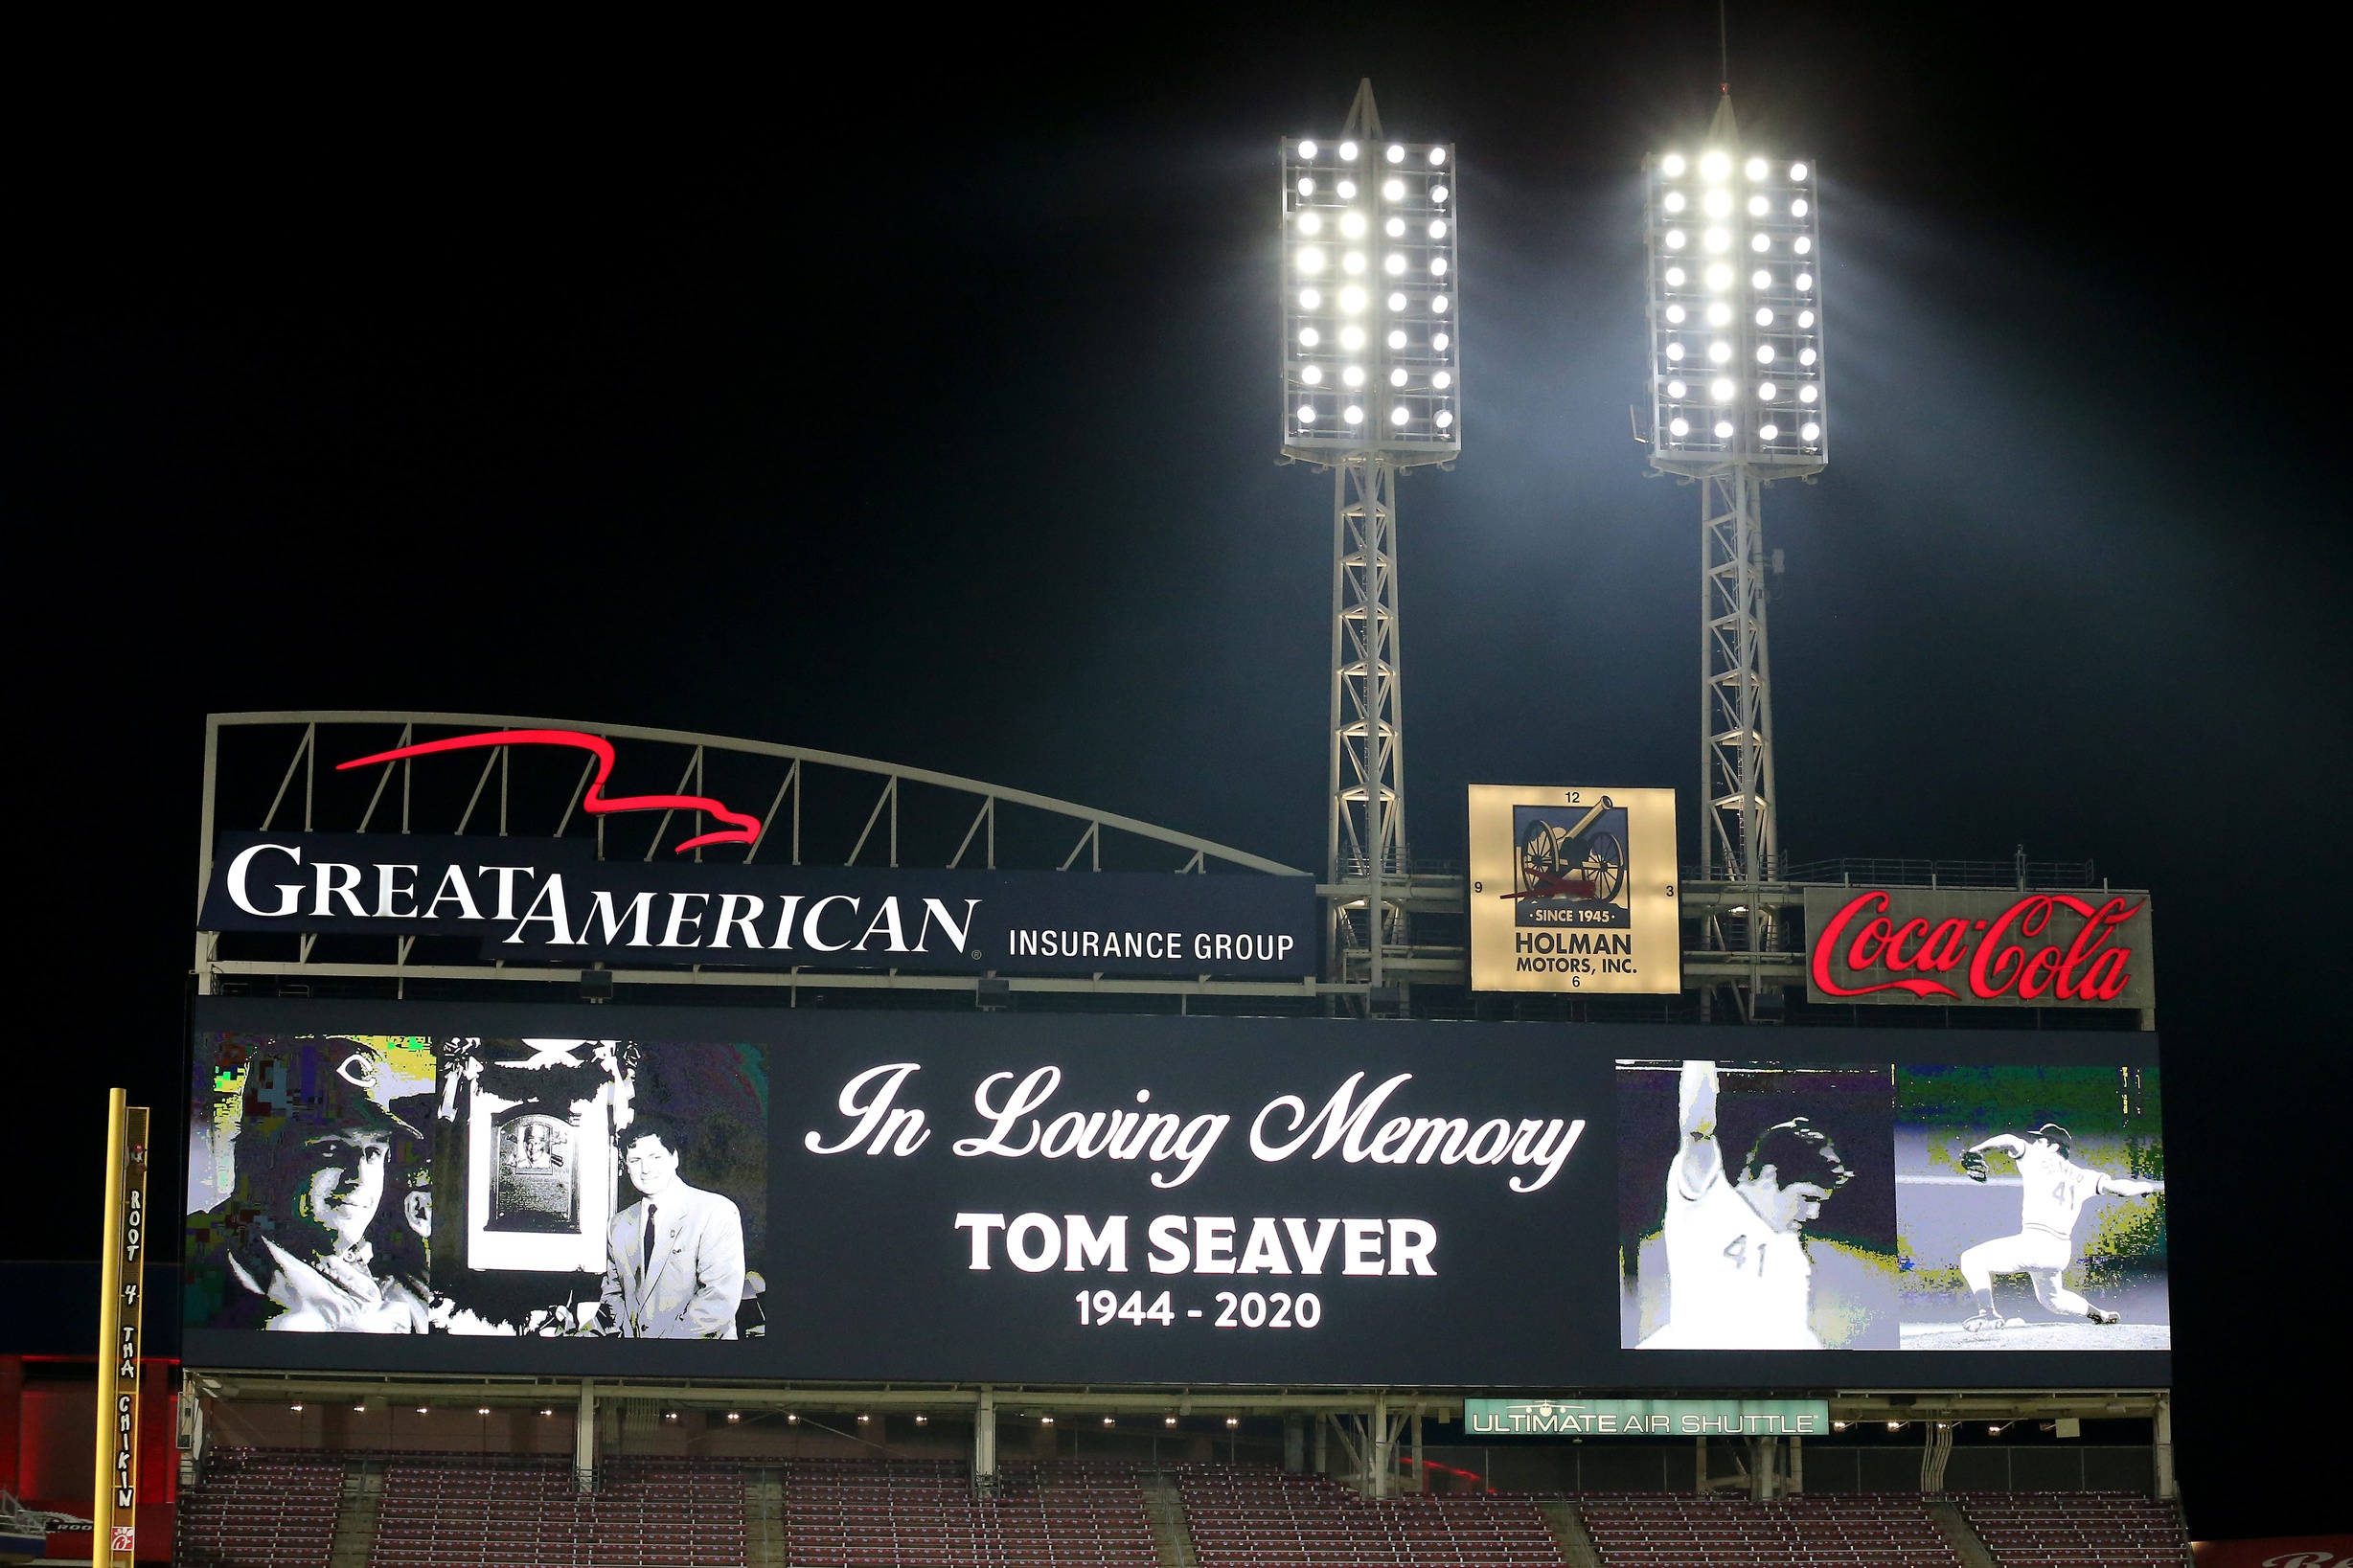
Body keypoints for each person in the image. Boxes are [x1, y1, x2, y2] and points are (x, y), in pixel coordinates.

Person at [194, 1039, 430, 1332]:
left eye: (373, 1152)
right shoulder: (213, 1266)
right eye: (331, 1149)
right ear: (258, 1157)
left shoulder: (369, 1259)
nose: (359, 1176)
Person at [1637, 1059, 1852, 1350]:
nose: (1813, 1213)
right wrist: (1699, 1048)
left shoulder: (1790, 1250)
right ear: (1770, 1175)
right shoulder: (1706, 1199)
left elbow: (1796, 1337)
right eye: (1807, 1198)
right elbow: (1697, 1129)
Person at [1954, 1123, 2165, 1330]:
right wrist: (2144, 1187)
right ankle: (2100, 1314)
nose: (2035, 1143)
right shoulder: (2085, 1175)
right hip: (2060, 1250)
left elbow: (2009, 1140)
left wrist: (1976, 1149)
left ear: (2054, 1147)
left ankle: (1988, 1313)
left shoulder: (2037, 1157)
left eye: (2040, 1140)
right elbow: (2118, 1188)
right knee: (2052, 1300)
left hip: (2035, 1241)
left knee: (1972, 1258)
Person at [598, 1114, 745, 1338]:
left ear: (674, 1158)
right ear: (626, 1165)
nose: (646, 1169)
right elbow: (612, 1294)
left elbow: (718, 1300)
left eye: (655, 1157)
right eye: (635, 1160)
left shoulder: (716, 1211)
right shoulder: (618, 1225)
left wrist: (662, 1350)